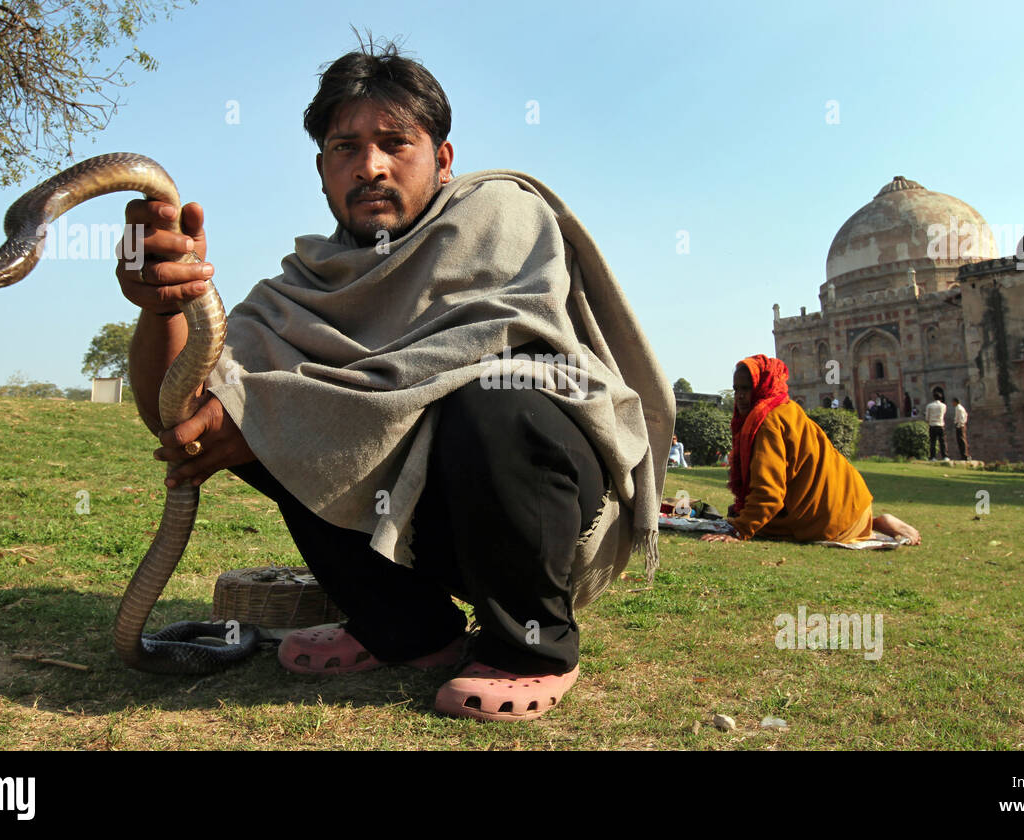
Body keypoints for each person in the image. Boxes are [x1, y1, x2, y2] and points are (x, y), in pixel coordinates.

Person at [117, 41, 672, 722]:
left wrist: (278, 415)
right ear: (322, 170)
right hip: (417, 528)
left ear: (442, 159)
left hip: (541, 514)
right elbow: (183, 417)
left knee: (492, 395)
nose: (370, 165)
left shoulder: (499, 213)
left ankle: (532, 647)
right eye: (345, 147)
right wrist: (165, 306)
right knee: (251, 411)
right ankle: (409, 631)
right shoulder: (300, 291)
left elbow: (477, 355)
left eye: (394, 142)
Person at [700, 356, 920, 547]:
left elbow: (769, 493)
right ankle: (874, 523)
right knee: (743, 515)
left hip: (829, 520)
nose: (739, 396)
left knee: (754, 524)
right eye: (736, 389)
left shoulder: (767, 422)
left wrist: (740, 531)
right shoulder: (786, 408)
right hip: (854, 505)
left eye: (746, 388)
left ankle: (874, 524)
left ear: (761, 386)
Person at [924, 393, 948, 460]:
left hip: (932, 425)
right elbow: (943, 414)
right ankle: (945, 456)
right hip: (940, 424)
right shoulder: (943, 406)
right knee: (943, 442)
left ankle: (933, 457)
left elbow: (927, 417)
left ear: (933, 397)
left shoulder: (929, 406)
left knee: (933, 442)